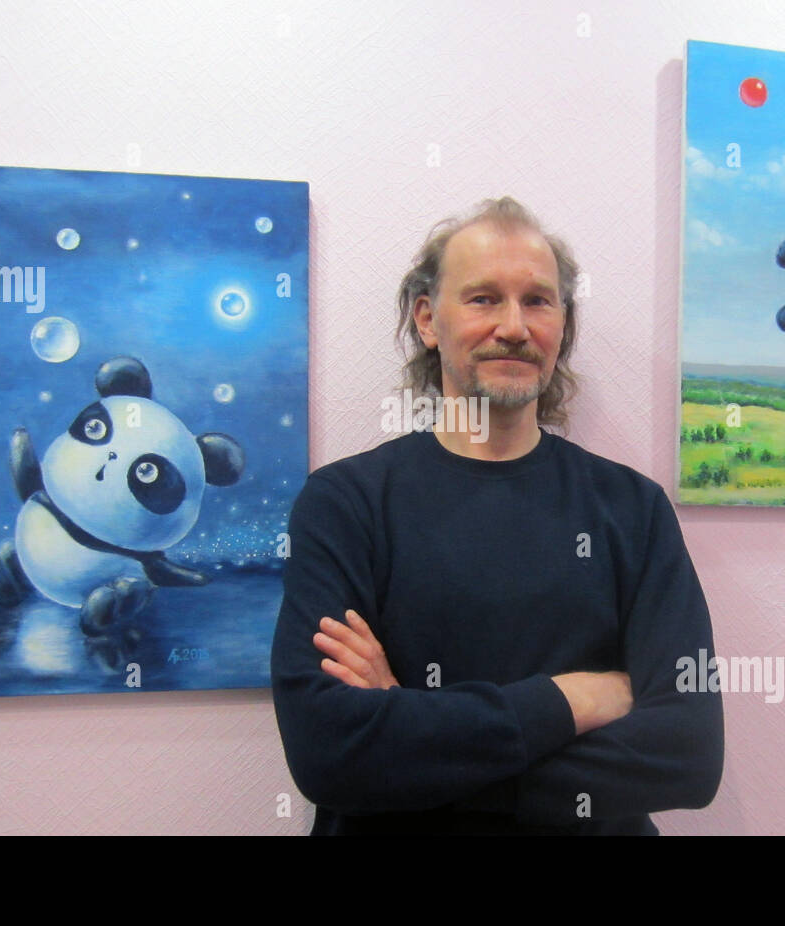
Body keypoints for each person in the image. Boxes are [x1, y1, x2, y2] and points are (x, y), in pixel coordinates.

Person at [270, 197, 724, 834]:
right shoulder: (345, 503)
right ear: (428, 319)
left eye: (538, 301)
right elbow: (328, 753)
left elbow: (689, 754)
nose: (514, 326)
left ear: (562, 324)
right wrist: (576, 699)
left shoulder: (633, 509)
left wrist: (414, 739)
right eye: (483, 299)